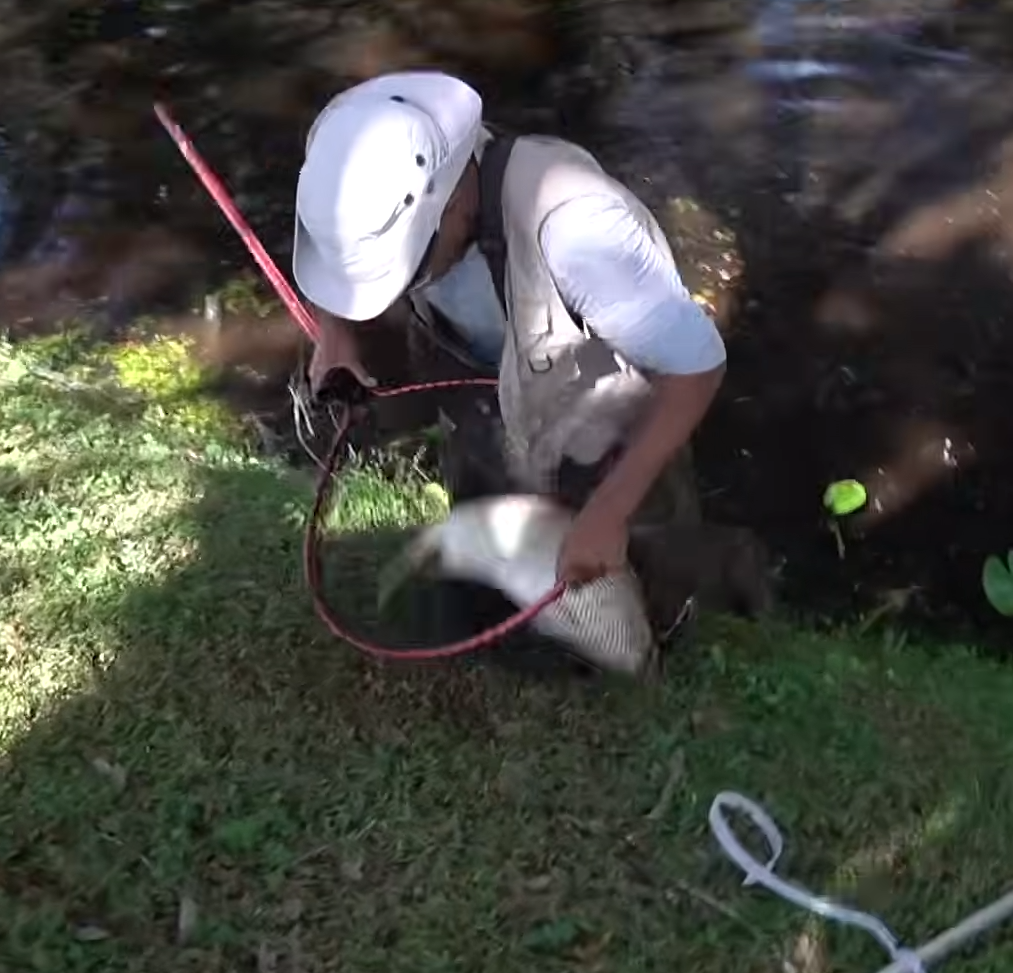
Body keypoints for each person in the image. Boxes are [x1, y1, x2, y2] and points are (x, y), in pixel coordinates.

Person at [290, 69, 728, 592]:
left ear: (452, 205)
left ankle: (677, 602)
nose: (397, 293)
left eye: (406, 274)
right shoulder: (342, 143)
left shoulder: (580, 232)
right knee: (492, 541)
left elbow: (698, 369)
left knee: (640, 567)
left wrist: (611, 510)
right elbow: (328, 242)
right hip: (476, 376)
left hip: (603, 404)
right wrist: (335, 330)